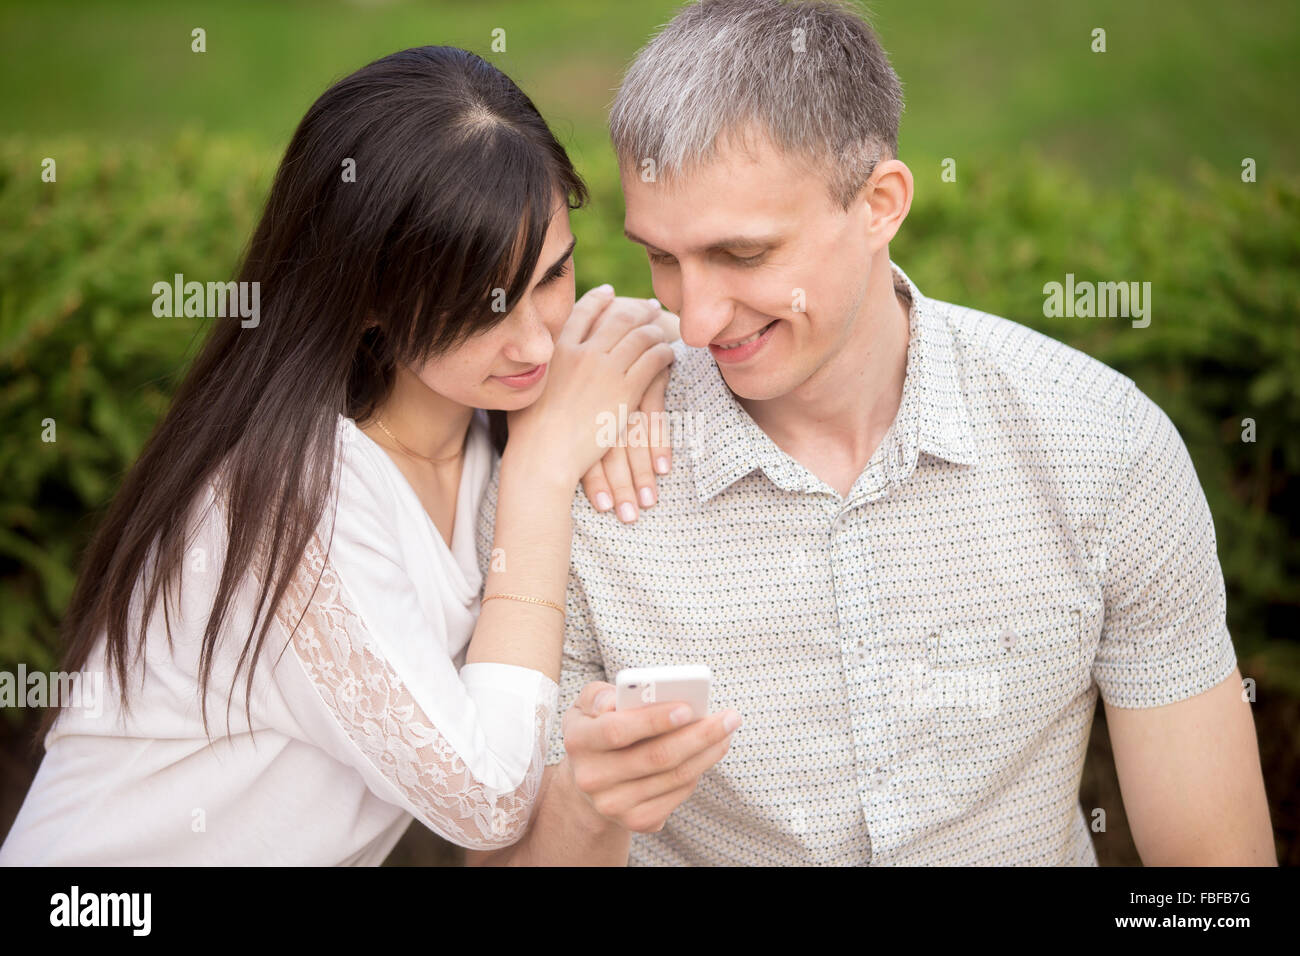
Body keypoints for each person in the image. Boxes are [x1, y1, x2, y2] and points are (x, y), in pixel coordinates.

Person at [468, 0, 1276, 865]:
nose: (694, 321)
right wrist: (592, 808)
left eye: (743, 256)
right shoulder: (572, 476)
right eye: (661, 258)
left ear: (881, 204)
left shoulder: (1102, 449)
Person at [0, 45, 677, 865]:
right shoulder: (291, 496)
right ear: (365, 300)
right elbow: (490, 799)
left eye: (552, 274)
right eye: (478, 306)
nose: (535, 337)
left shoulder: (490, 401)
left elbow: (676, 344)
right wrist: (538, 477)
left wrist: (637, 390)